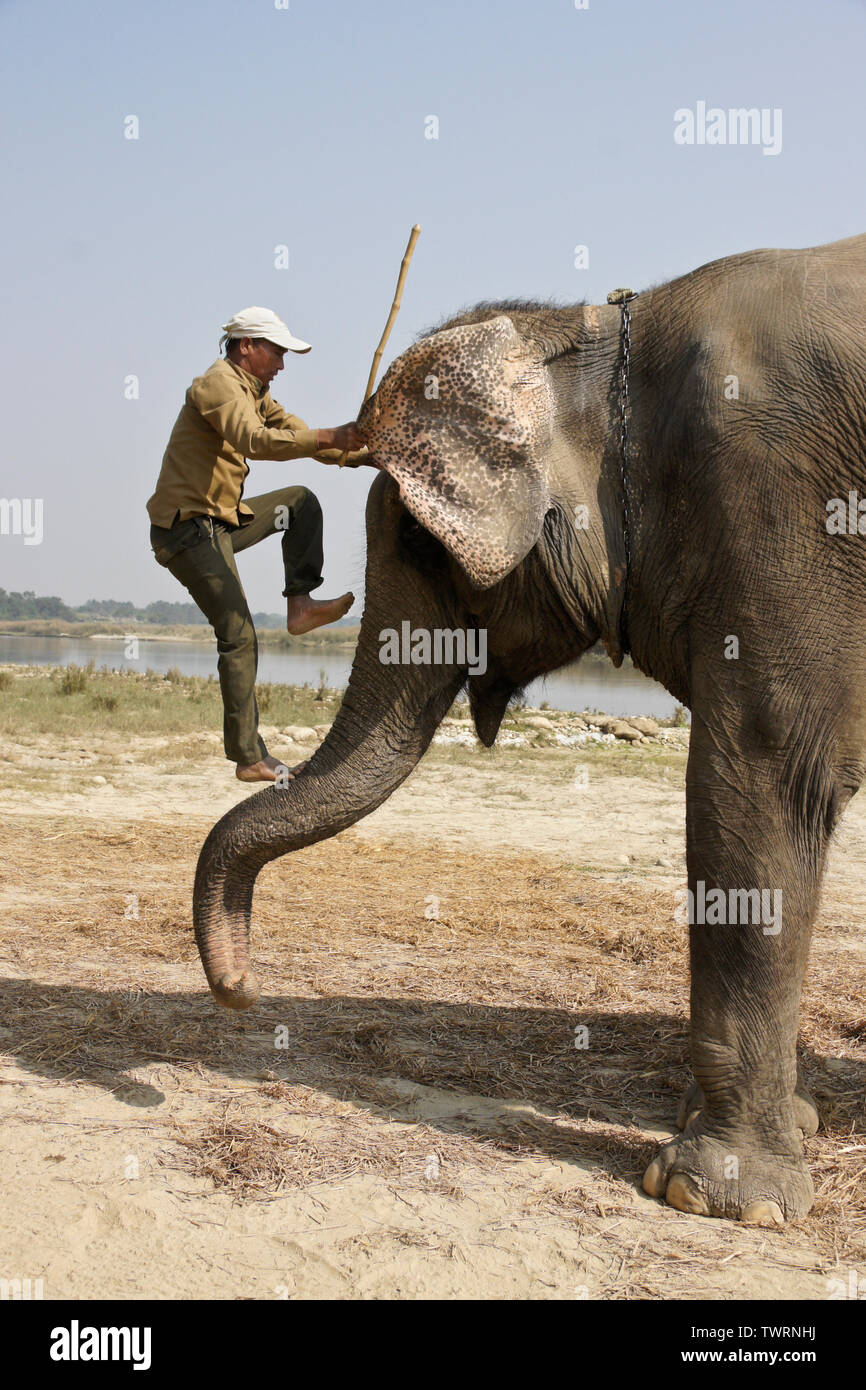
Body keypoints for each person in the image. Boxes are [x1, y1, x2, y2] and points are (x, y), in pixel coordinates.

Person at [146, 306, 372, 783]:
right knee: (239, 635)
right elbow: (255, 441)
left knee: (301, 503)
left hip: (224, 521)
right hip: (188, 530)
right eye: (278, 352)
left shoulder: (256, 390)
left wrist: (368, 456)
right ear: (246, 345)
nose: (283, 364)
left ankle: (301, 606)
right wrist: (332, 434)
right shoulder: (217, 386)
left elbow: (296, 435)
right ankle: (249, 757)